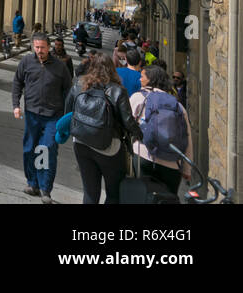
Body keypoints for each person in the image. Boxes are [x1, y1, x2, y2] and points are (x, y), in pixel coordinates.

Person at [64, 55, 142, 204]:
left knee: (90, 192)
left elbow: (68, 112)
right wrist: (139, 134)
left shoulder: (78, 85)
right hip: (109, 147)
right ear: (112, 69)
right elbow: (128, 122)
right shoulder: (118, 90)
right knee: (113, 193)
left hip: (81, 143)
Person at [11, 32, 73, 203]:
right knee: (29, 149)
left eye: (43, 47)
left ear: (49, 47)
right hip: (32, 114)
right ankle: (33, 183)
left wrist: (67, 116)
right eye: (37, 47)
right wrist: (16, 105)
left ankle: (45, 189)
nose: (39, 50)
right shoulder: (26, 62)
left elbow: (69, 91)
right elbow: (17, 82)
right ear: (33, 47)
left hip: (53, 116)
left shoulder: (60, 67)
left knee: (47, 149)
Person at [130, 65, 192, 202]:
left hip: (144, 155)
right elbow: (187, 136)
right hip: (171, 163)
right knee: (167, 199)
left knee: (141, 197)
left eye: (142, 76)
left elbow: (126, 123)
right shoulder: (177, 105)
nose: (140, 79)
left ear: (151, 79)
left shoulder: (139, 98)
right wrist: (187, 169)